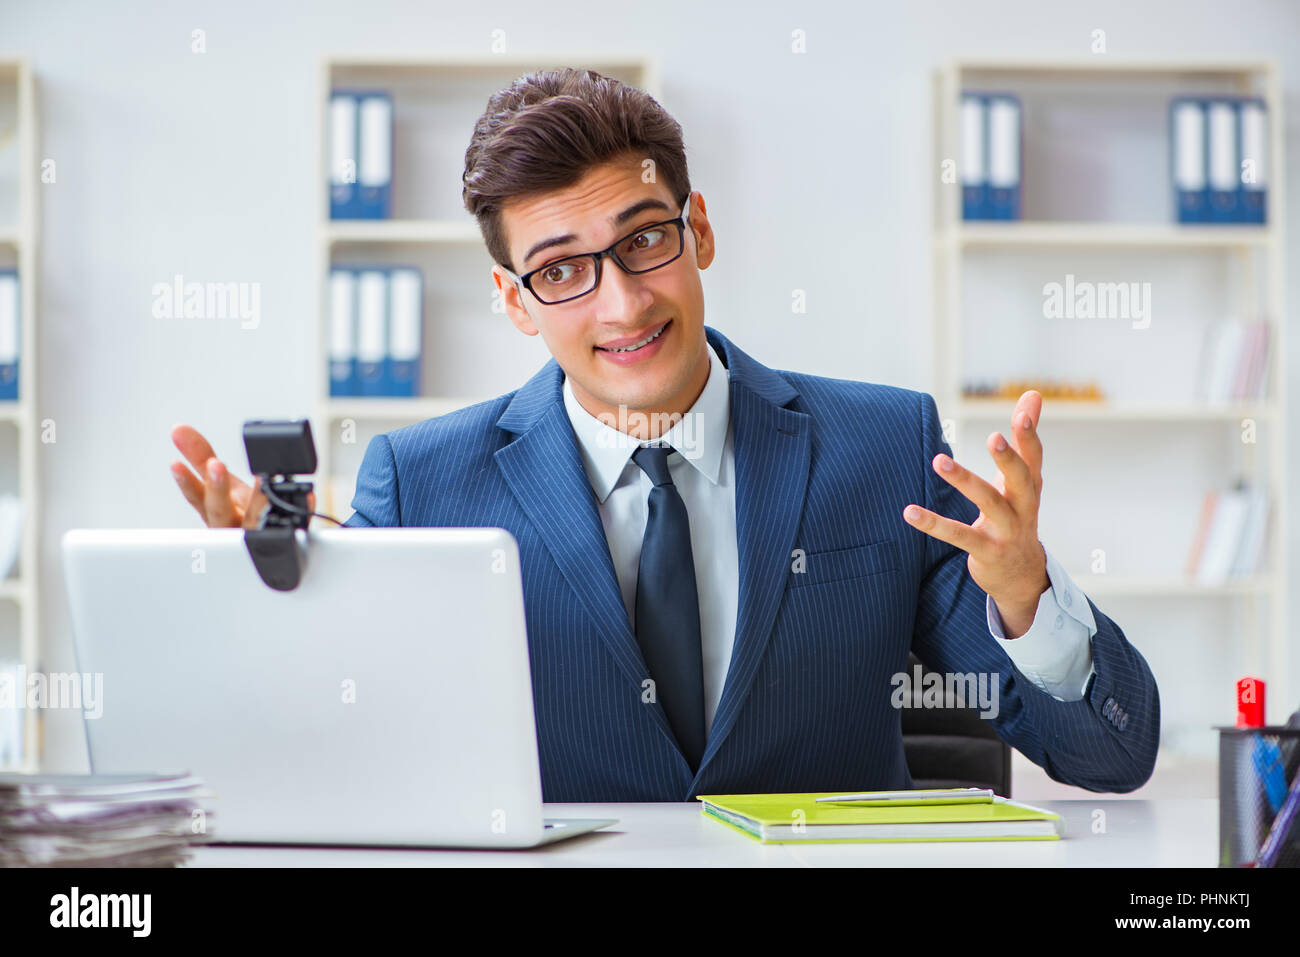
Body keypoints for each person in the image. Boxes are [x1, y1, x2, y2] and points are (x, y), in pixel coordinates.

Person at [170, 68, 1159, 802]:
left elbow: (1110, 759)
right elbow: (339, 761)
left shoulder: (885, 447)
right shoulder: (424, 484)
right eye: (562, 270)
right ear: (515, 303)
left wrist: (1028, 597)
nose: (623, 301)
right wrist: (281, 616)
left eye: (645, 239)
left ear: (699, 232)